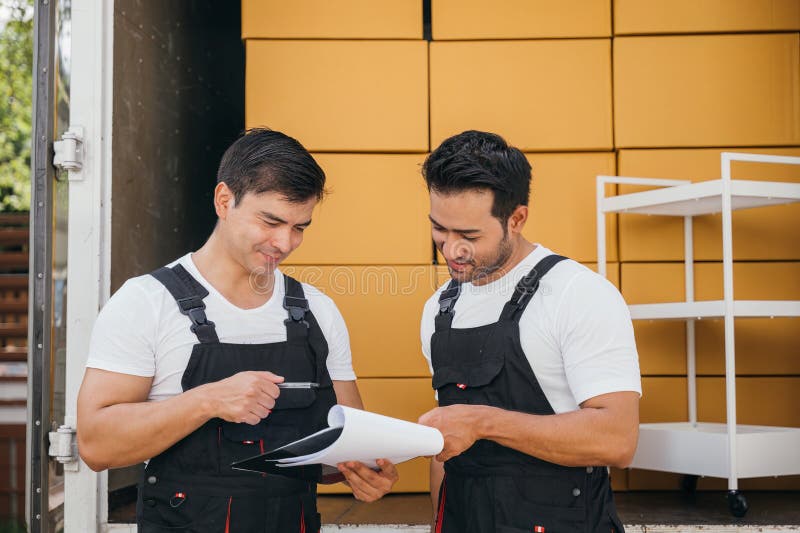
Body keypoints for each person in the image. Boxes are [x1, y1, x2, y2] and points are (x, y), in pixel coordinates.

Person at [77, 128, 398, 532]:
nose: (285, 242)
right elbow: (95, 445)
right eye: (271, 221)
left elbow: (345, 449)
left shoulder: (318, 311)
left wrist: (364, 474)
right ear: (224, 200)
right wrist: (206, 400)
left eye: (300, 227)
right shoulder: (145, 303)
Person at [417, 131, 641, 533]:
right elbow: (445, 453)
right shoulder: (439, 308)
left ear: (516, 219)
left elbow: (618, 439)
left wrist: (484, 422)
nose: (451, 250)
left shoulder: (578, 293)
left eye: (468, 235)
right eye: (439, 229)